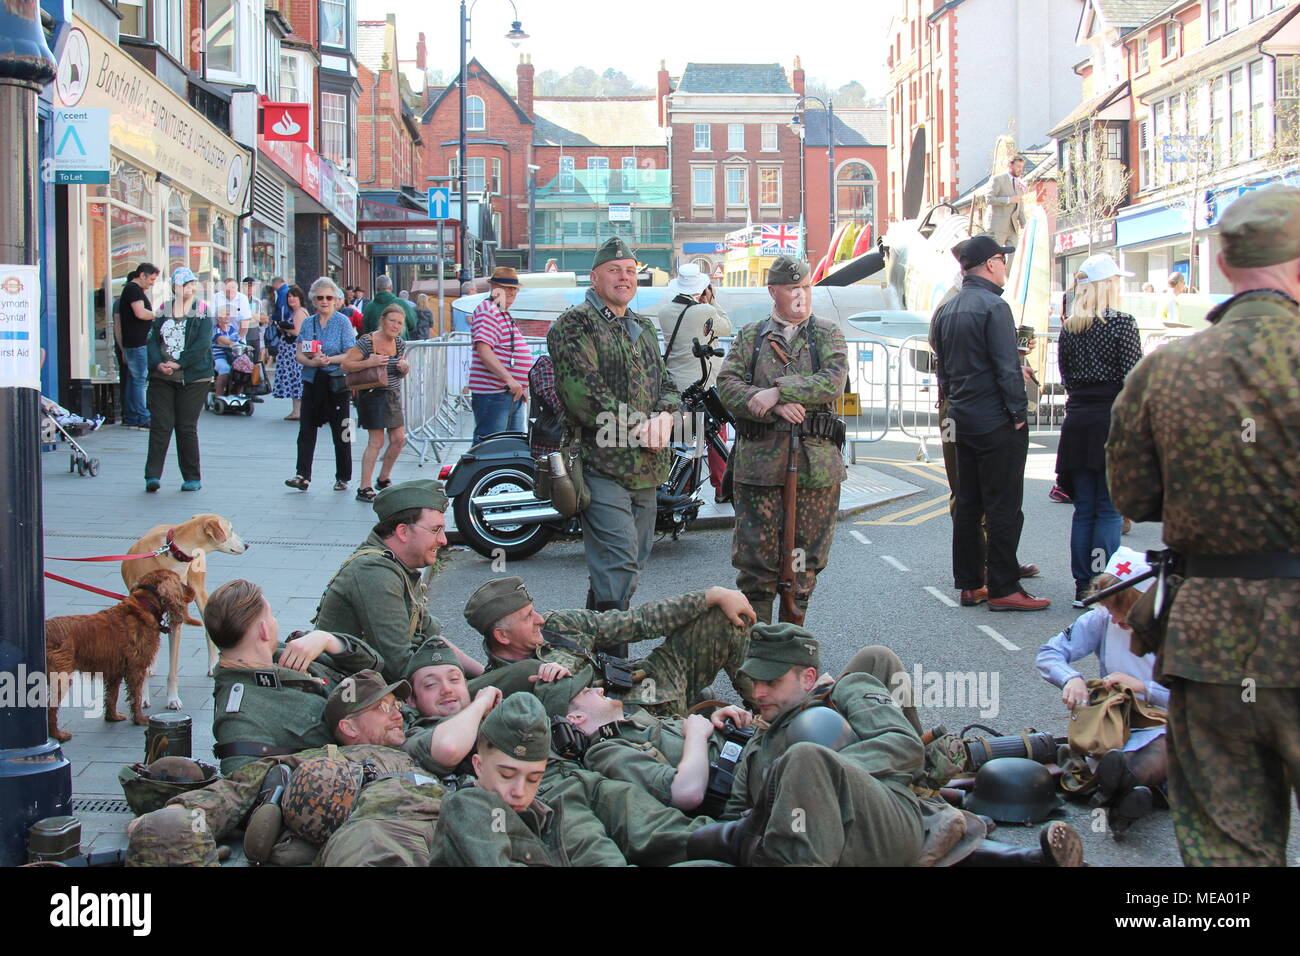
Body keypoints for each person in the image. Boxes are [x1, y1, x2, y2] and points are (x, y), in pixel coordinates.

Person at [1107, 185, 1300, 867]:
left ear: (1223, 265)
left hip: (1209, 638)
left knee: (1226, 853)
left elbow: (1132, 493)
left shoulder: (1167, 370)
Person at [686, 624, 926, 866]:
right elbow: (736, 819)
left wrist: (823, 776)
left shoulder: (845, 693)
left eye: (771, 682)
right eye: (756, 681)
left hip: (879, 830)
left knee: (804, 758)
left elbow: (904, 745)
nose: (757, 693)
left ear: (808, 678)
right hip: (804, 843)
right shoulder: (758, 744)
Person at [547, 236, 680, 613]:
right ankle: (613, 662)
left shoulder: (642, 327)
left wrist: (667, 416)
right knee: (618, 561)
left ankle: (594, 643)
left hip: (646, 468)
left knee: (630, 565)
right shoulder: (574, 326)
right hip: (599, 463)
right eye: (614, 271)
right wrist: (646, 427)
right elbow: (585, 397)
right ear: (594, 278)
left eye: (630, 271)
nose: (624, 277)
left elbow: (667, 385)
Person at [716, 255, 847, 624]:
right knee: (756, 567)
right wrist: (773, 409)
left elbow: (831, 381)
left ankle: (791, 648)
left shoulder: (826, 333)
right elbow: (727, 385)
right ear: (773, 291)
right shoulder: (750, 335)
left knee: (803, 565)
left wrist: (777, 392)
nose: (802, 295)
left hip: (814, 471)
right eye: (793, 288)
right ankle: (755, 657)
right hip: (759, 468)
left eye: (806, 287)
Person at [929, 235, 1048, 611]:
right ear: (991, 263)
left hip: (962, 417)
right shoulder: (994, 307)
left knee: (968, 503)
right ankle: (1004, 588)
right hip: (995, 420)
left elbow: (943, 370)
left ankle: (970, 584)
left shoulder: (948, 309)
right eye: (1003, 259)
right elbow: (1006, 367)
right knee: (1004, 506)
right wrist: (1017, 415)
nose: (1005, 266)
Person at [464, 575, 756, 717]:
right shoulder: (507, 691)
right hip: (634, 727)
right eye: (528, 617)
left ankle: (766, 712)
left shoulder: (557, 625)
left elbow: (636, 622)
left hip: (654, 679)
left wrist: (709, 596)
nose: (539, 619)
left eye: (534, 610)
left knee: (726, 615)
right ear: (502, 637)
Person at [1036, 546, 1168, 837]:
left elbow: (1199, 698)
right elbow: (1048, 654)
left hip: (1169, 722)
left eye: (1125, 611)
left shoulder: (1177, 627)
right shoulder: (1101, 619)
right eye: (1111, 609)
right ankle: (1127, 796)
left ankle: (1114, 796)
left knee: (1168, 747)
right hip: (1116, 722)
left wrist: (1144, 687)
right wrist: (1071, 678)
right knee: (1124, 758)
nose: (1116, 619)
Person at [204, 578, 384, 775]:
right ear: (264, 630)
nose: (275, 622)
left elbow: (374, 665)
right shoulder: (239, 714)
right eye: (272, 616)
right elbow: (241, 782)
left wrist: (328, 639)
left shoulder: (287, 651)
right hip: (367, 768)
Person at [314, 479, 482, 684]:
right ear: (402, 531)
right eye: (435, 529)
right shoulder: (375, 572)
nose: (443, 540)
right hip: (358, 694)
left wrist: (484, 675)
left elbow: (432, 639)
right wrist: (466, 687)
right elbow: (399, 667)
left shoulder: (397, 566)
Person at [537, 665, 752, 813]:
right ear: (576, 717)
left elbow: (684, 732)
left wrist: (720, 724)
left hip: (747, 751)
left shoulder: (630, 722)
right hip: (746, 784)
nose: (599, 688)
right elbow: (686, 792)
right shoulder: (606, 751)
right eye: (587, 692)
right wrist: (696, 734)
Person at [1055, 253, 1144, 606]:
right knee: (1108, 509)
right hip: (1111, 421)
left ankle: (1083, 587)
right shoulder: (1122, 323)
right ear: (1108, 285)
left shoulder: (1069, 327)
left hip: (1078, 422)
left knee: (1085, 509)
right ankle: (1102, 586)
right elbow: (1133, 378)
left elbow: (1065, 378)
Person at [657, 262, 733, 501]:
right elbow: (726, 325)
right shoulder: (704, 311)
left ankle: (683, 489)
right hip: (705, 385)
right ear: (701, 289)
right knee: (716, 436)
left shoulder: (665, 312)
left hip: (678, 388)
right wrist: (711, 299)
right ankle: (722, 488)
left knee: (685, 442)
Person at [143, 267, 213, 493]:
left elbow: (202, 345)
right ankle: (152, 476)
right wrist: (157, 363)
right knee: (161, 425)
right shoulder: (163, 310)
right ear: (174, 287)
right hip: (162, 378)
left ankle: (192, 477)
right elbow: (152, 341)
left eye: (191, 284)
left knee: (185, 426)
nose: (189, 288)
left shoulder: (202, 311)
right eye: (184, 284)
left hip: (194, 378)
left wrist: (179, 363)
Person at [285, 277, 355, 492]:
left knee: (342, 430)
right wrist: (312, 361)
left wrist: (330, 360)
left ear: (336, 300)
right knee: (306, 429)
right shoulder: (308, 322)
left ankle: (343, 476)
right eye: (320, 297)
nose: (324, 301)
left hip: (336, 381)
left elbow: (351, 354)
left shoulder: (343, 322)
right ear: (314, 300)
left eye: (329, 297)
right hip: (313, 380)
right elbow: (299, 354)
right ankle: (302, 474)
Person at [341, 304, 409, 502]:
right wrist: (368, 362)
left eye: (399, 323)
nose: (395, 326)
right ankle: (364, 487)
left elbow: (399, 372)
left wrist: (404, 369)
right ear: (383, 320)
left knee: (399, 439)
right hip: (372, 394)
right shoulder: (367, 341)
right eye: (392, 321)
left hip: (392, 394)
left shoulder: (400, 343)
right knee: (376, 441)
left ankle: (383, 478)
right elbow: (346, 364)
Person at [469, 266, 532, 444]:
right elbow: (484, 350)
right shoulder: (488, 311)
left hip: (509, 393)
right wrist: (509, 380)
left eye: (514, 288)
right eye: (506, 288)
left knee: (511, 445)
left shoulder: (501, 312)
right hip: (495, 393)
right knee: (489, 446)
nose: (511, 292)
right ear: (494, 288)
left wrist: (520, 385)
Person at [118, 262, 161, 428]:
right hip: (137, 342)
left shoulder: (131, 289)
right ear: (142, 275)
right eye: (151, 279)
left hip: (133, 342)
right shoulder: (133, 289)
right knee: (140, 381)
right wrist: (157, 315)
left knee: (133, 380)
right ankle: (142, 417)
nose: (152, 283)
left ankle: (132, 416)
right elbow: (140, 313)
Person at [272, 284, 307, 420]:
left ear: (300, 298)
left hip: (293, 350)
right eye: (289, 296)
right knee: (294, 380)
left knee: (296, 379)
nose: (291, 299)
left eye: (294, 296)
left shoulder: (299, 313)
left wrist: (283, 328)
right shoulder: (296, 312)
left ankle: (297, 411)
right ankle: (296, 410)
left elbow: (297, 332)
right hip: (290, 350)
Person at [988, 154, 1027, 251]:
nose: (1020, 169)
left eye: (1022, 167)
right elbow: (989, 199)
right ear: (1010, 165)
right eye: (1018, 166)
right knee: (995, 254)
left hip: (1013, 228)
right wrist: (1008, 200)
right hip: (998, 226)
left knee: (1013, 257)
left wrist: (1024, 224)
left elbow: (1020, 205)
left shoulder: (1020, 183)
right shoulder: (998, 179)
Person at [210, 303, 243, 399]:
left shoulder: (232, 329)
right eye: (225, 314)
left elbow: (238, 341)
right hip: (219, 356)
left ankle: (236, 394)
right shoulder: (215, 329)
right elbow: (221, 340)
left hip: (232, 356)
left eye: (229, 314)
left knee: (243, 369)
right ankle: (218, 396)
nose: (227, 316)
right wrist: (231, 343)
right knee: (225, 368)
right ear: (218, 316)